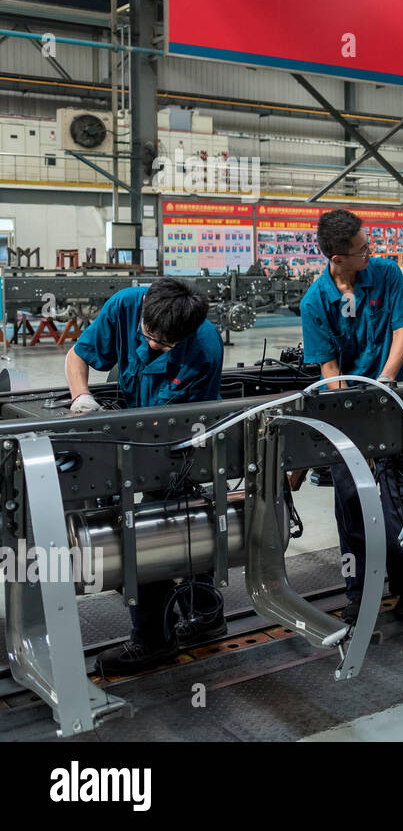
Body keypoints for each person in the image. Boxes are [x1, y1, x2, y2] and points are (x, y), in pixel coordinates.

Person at [301, 209, 403, 625]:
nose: (369, 253)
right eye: (360, 249)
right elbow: (330, 370)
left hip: (393, 406)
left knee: (400, 504)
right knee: (353, 506)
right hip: (347, 413)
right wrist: (352, 418)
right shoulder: (315, 302)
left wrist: (387, 380)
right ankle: (358, 596)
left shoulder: (385, 274)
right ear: (337, 257)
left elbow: (402, 332)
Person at [65, 278, 226, 675]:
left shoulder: (204, 348)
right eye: (148, 336)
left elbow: (192, 421)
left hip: (173, 444)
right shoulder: (125, 305)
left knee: (158, 527)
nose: (153, 346)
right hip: (124, 431)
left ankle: (157, 638)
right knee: (154, 524)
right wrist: (81, 395)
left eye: (165, 345)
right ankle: (202, 614)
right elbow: (76, 356)